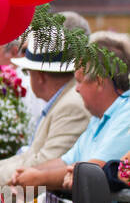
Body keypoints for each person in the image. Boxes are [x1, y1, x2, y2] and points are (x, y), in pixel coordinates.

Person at [12, 32, 130, 192]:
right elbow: (67, 162)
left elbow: (92, 170)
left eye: (80, 81)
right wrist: (32, 173)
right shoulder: (100, 117)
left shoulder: (126, 114)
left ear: (100, 82)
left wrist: (39, 177)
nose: (77, 88)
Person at [0, 23, 91, 188]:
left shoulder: (71, 106)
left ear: (41, 77)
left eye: (29, 72)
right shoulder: (63, 102)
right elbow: (30, 156)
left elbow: (43, 163)